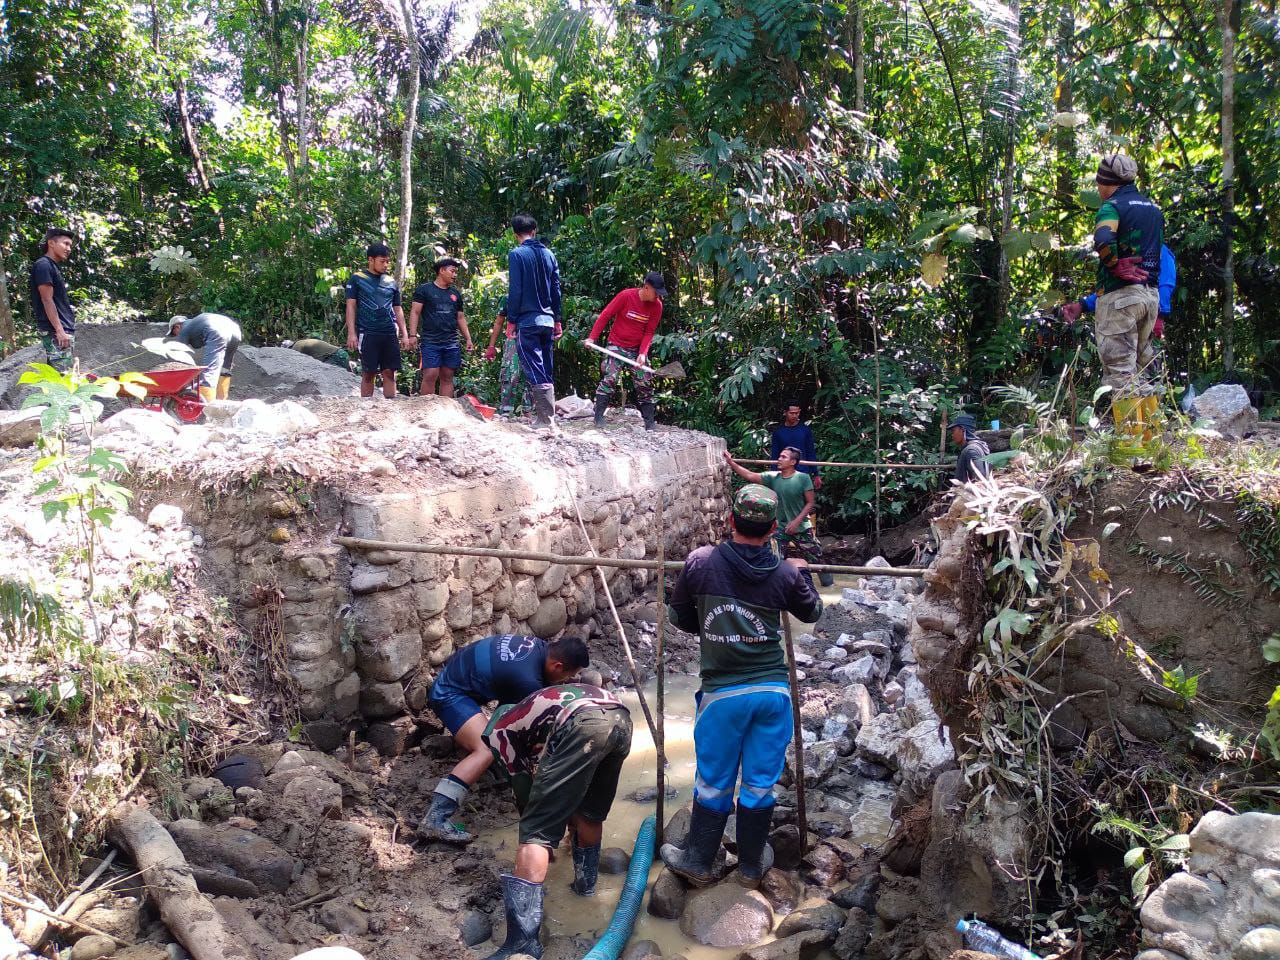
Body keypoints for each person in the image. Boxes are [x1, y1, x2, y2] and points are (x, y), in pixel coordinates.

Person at [659, 483, 823, 890]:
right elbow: (814, 611)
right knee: (759, 781)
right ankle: (751, 865)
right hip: (772, 693)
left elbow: (678, 616)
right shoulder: (784, 572)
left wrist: (716, 630)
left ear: (730, 520)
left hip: (722, 695)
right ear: (772, 530)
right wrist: (803, 573)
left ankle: (699, 860)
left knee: (714, 780)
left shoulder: (700, 562)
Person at [482, 683, 633, 960]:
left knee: (535, 831)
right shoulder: (532, 713)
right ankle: (585, 888)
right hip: (620, 718)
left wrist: (541, 839)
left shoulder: (499, 733)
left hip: (582, 722)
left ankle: (523, 943)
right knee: (589, 812)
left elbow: (525, 791)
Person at [419, 633, 590, 844]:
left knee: (503, 732)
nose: (567, 681)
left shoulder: (537, 647)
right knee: (486, 750)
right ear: (557, 666)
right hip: (449, 694)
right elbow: (530, 735)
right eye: (568, 676)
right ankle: (436, 818)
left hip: (460, 676)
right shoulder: (527, 680)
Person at [1078, 154, 1164, 410]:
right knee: (1143, 370)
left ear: (1106, 181)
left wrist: (1115, 264)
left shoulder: (1112, 206)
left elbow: (1103, 238)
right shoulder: (1153, 209)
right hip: (1150, 296)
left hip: (1120, 299)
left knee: (1120, 374)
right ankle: (1152, 439)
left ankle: (1130, 445)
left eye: (1098, 183)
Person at [722, 447, 834, 588]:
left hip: (801, 527)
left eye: (783, 457)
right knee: (773, 557)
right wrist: (731, 462)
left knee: (816, 558)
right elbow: (750, 475)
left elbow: (810, 503)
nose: (779, 459)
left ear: (793, 462)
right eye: (779, 456)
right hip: (779, 528)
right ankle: (773, 588)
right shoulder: (772, 477)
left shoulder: (803, 478)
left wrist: (796, 522)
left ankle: (829, 585)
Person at [1064, 244, 1177, 375]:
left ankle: (1140, 392)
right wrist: (1083, 305)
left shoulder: (1157, 249)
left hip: (1144, 312)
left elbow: (1165, 283)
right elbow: (1116, 290)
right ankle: (1139, 392)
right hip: (1133, 312)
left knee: (1134, 369)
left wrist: (1159, 316)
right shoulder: (1127, 250)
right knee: (1136, 368)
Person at [583, 272, 666, 430]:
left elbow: (649, 332)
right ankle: (598, 416)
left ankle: (649, 422)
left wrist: (642, 353)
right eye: (656, 293)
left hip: (636, 349)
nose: (658, 297)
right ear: (647, 288)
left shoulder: (657, 306)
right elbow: (606, 315)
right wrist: (592, 338)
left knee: (644, 381)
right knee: (610, 378)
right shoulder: (626, 296)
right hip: (616, 344)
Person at [506, 214, 562, 430]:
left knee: (534, 367)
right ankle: (546, 419)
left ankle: (546, 421)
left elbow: (516, 289)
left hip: (528, 321)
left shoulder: (517, 254)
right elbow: (556, 290)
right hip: (547, 321)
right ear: (534, 230)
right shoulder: (549, 254)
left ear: (515, 234)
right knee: (545, 367)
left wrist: (511, 320)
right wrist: (557, 319)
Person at [345, 242, 408, 399]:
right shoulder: (357, 279)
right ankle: (366, 408)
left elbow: (398, 309)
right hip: (367, 332)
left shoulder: (391, 282)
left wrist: (405, 334)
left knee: (389, 371)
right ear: (371, 260)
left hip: (389, 332)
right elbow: (351, 306)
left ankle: (390, 407)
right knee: (369, 372)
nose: (386, 265)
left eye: (388, 261)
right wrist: (352, 333)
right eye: (382, 261)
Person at [409, 257, 474, 397]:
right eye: (452, 271)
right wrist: (412, 335)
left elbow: (460, 318)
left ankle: (445, 411)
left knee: (447, 376)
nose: (455, 275)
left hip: (451, 341)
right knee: (430, 374)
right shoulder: (424, 290)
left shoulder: (455, 293)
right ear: (441, 270)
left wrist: (468, 338)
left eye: (456, 272)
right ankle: (425, 408)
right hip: (430, 340)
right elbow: (415, 312)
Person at [29, 228, 77, 372]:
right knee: (61, 380)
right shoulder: (43, 265)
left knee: (61, 377)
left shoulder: (52, 267)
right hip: (55, 332)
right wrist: (59, 330)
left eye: (70, 246)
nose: (69, 249)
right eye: (65, 244)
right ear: (51, 243)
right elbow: (47, 299)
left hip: (60, 331)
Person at [168, 313, 243, 402]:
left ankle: (206, 408)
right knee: (225, 369)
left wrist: (172, 369)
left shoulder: (184, 329)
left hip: (216, 331)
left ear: (177, 326)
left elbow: (179, 352)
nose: (176, 335)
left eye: (174, 333)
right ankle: (222, 402)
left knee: (209, 371)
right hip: (235, 331)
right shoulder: (196, 324)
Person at [484, 296, 532, 417]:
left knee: (532, 375)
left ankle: (528, 410)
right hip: (513, 338)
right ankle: (506, 410)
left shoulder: (536, 295)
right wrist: (491, 346)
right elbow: (499, 322)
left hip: (533, 338)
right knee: (511, 373)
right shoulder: (508, 298)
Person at [770, 401, 821, 490]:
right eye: (792, 413)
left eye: (797, 413)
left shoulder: (805, 430)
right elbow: (775, 455)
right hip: (784, 472)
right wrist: (774, 475)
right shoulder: (778, 432)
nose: (795, 416)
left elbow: (810, 452)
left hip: (803, 472)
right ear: (785, 413)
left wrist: (816, 474)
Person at [949, 413, 991, 482]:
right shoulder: (976, 447)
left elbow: (979, 479)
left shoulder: (971, 450)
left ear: (962, 430)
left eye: (953, 431)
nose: (952, 435)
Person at [285, 336, 352, 371]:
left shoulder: (297, 346)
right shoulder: (302, 343)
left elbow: (294, 362)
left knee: (327, 374)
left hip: (336, 356)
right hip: (342, 354)